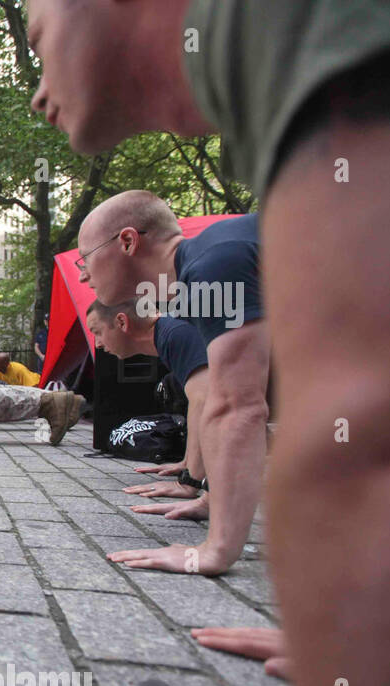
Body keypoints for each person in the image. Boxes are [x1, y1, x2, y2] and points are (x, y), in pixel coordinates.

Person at [27, 0, 390, 686]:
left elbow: (267, 416)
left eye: (35, 36)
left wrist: (216, 553)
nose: (39, 91)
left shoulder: (270, 31)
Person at [70, 192, 265, 578]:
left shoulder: (213, 265)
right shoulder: (201, 276)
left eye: (85, 257)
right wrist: (206, 494)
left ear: (127, 241)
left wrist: (215, 550)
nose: (82, 274)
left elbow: (237, 407)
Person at [85, 298, 210, 521]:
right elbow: (196, 405)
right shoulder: (170, 333)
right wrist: (187, 464)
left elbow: (206, 403)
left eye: (98, 332)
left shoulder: (175, 334)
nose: (98, 344)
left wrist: (189, 482)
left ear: (122, 322)